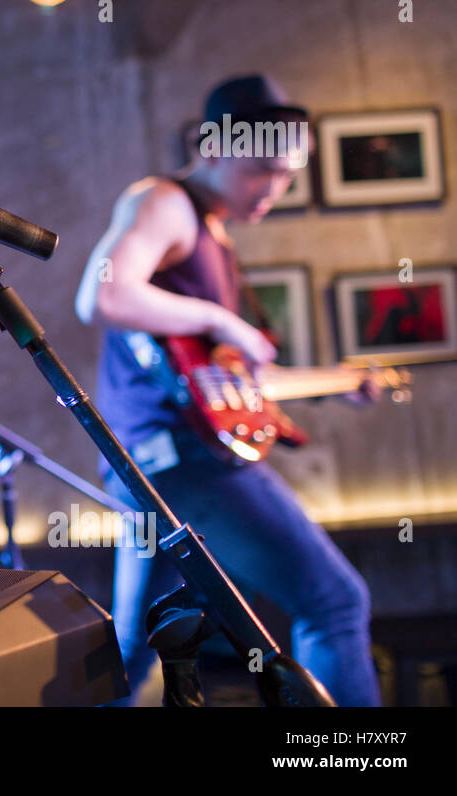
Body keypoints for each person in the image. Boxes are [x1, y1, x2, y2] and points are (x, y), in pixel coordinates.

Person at [74, 75, 382, 706]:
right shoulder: (165, 203)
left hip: (151, 469)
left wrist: (336, 383)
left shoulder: (214, 237)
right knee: (334, 602)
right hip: (183, 463)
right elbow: (102, 294)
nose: (276, 187)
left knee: (130, 656)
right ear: (212, 146)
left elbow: (232, 387)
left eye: (289, 174)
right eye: (263, 169)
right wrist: (222, 319)